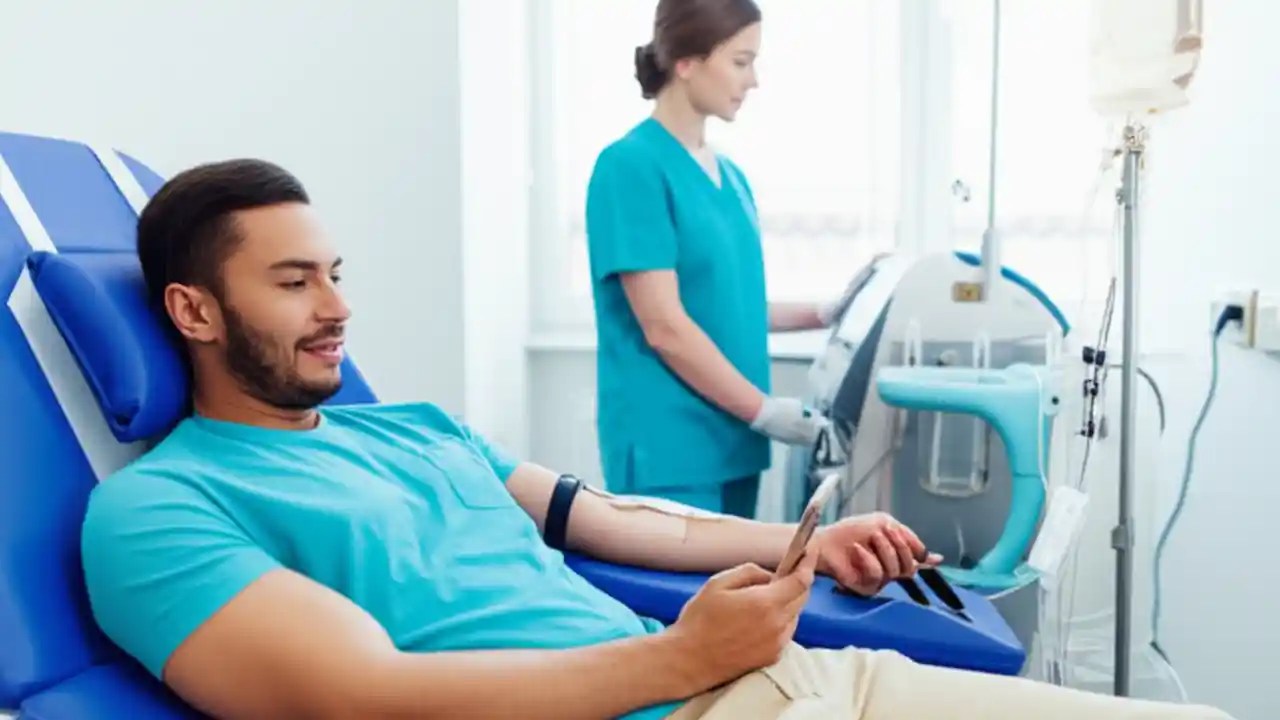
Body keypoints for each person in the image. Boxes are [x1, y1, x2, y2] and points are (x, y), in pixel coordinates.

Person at [80, 159, 1231, 720]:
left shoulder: (412, 430)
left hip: (785, 681)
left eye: (335, 272)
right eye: (293, 283)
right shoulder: (159, 511)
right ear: (193, 312)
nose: (337, 306)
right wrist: (681, 660)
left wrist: (802, 546)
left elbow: (605, 519)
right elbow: (360, 696)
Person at [584, 0, 864, 518]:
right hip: (669, 449)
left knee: (744, 573)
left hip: (734, 444)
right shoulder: (630, 167)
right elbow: (665, 326)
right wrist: (765, 411)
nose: (752, 80)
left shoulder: (732, 178)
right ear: (687, 61)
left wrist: (826, 312)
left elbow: (728, 307)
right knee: (677, 576)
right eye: (740, 61)